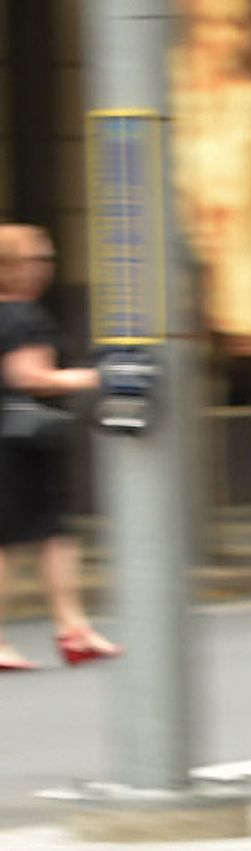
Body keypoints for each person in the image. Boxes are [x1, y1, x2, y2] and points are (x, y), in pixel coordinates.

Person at [0, 224, 118, 671]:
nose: (45, 268)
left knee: (50, 535)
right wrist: (99, 377)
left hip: (12, 442)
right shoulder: (23, 316)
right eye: (37, 259)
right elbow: (30, 376)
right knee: (32, 535)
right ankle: (70, 627)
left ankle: (74, 626)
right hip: (20, 444)